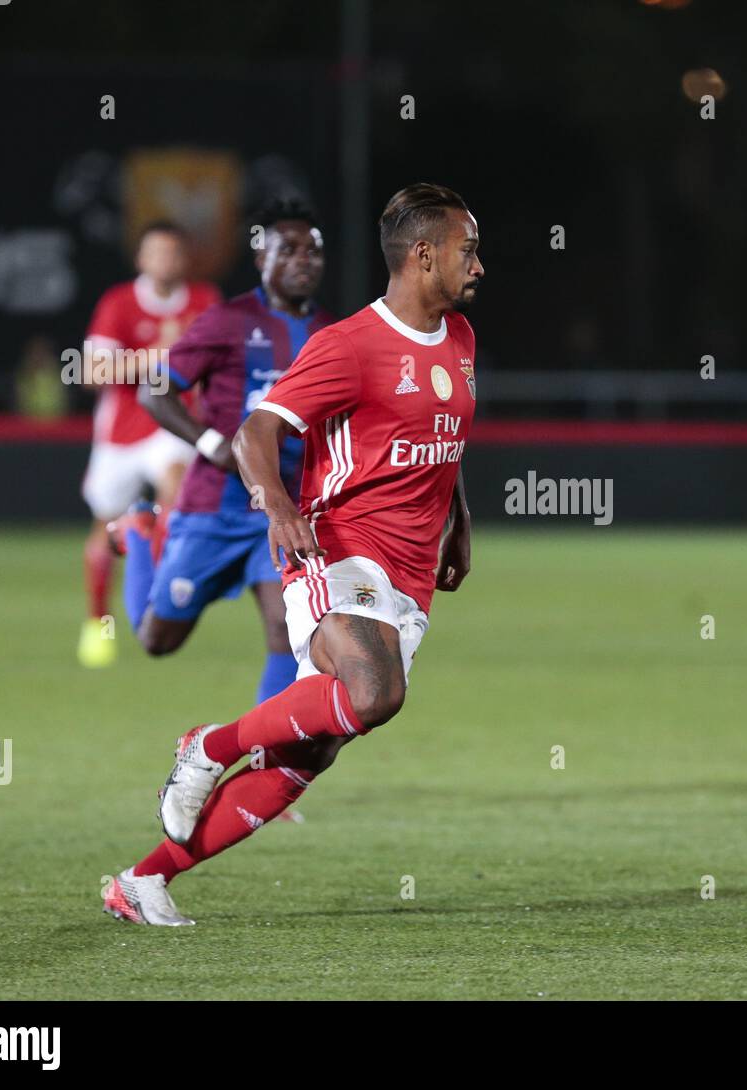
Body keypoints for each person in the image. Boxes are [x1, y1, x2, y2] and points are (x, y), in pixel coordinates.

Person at [102, 183, 482, 925]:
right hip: (339, 546)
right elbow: (256, 432)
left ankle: (143, 881)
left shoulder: (461, 341)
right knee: (377, 694)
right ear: (423, 254)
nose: (478, 264)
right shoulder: (348, 343)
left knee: (311, 754)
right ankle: (208, 744)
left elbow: (446, 438)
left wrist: (459, 521)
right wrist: (277, 506)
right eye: (468, 250)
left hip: (408, 572)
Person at [116, 199, 332, 705]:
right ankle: (136, 534)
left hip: (278, 508)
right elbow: (155, 389)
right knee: (157, 639)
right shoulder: (228, 320)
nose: (305, 260)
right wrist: (209, 441)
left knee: (288, 631)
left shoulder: (332, 334)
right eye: (290, 250)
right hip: (215, 504)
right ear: (262, 257)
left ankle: (264, 758)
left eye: (314, 251)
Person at [78, 223, 220, 667]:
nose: (164, 261)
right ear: (141, 259)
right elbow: (91, 373)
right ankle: (98, 621)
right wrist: (158, 353)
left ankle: (160, 606)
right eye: (155, 253)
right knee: (104, 531)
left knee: (175, 493)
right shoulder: (119, 302)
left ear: (185, 260)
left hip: (172, 424)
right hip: (121, 433)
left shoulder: (205, 301)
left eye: (173, 253)